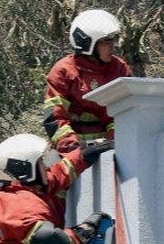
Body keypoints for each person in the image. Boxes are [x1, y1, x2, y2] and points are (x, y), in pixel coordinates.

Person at [43, 9, 131, 153]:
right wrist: (73, 149)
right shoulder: (63, 71)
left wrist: (111, 143)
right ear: (87, 43)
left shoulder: (119, 68)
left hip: (112, 150)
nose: (112, 46)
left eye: (113, 40)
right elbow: (56, 117)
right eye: (106, 41)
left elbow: (122, 113)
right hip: (71, 153)